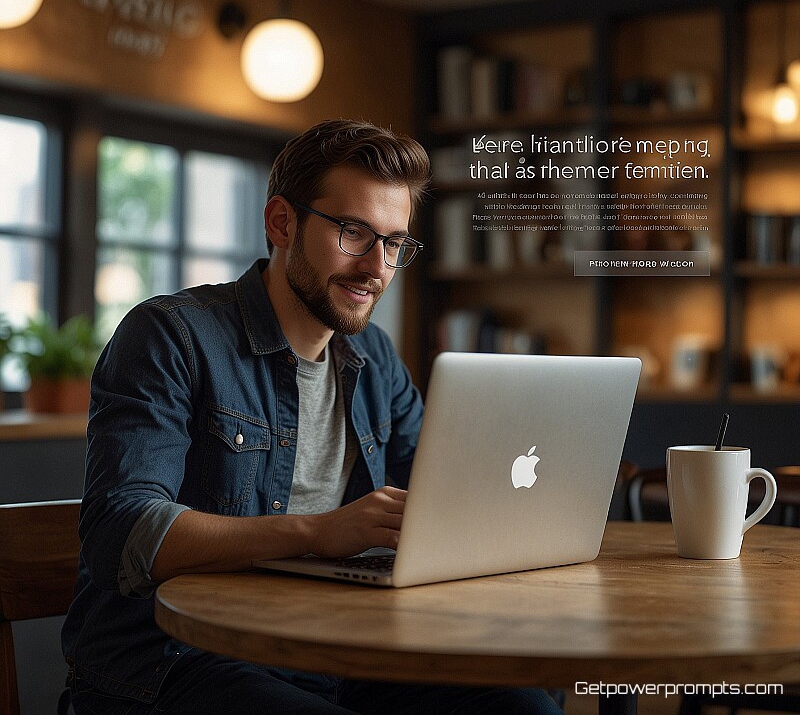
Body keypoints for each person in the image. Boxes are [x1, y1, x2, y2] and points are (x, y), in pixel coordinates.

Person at [62, 119, 563, 715]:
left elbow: (435, 497)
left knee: (525, 707)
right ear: (282, 223)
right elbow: (124, 529)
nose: (377, 267)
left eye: (395, 242)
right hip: (176, 661)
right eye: (354, 232)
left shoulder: (374, 358)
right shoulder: (172, 336)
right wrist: (318, 533)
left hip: (336, 647)